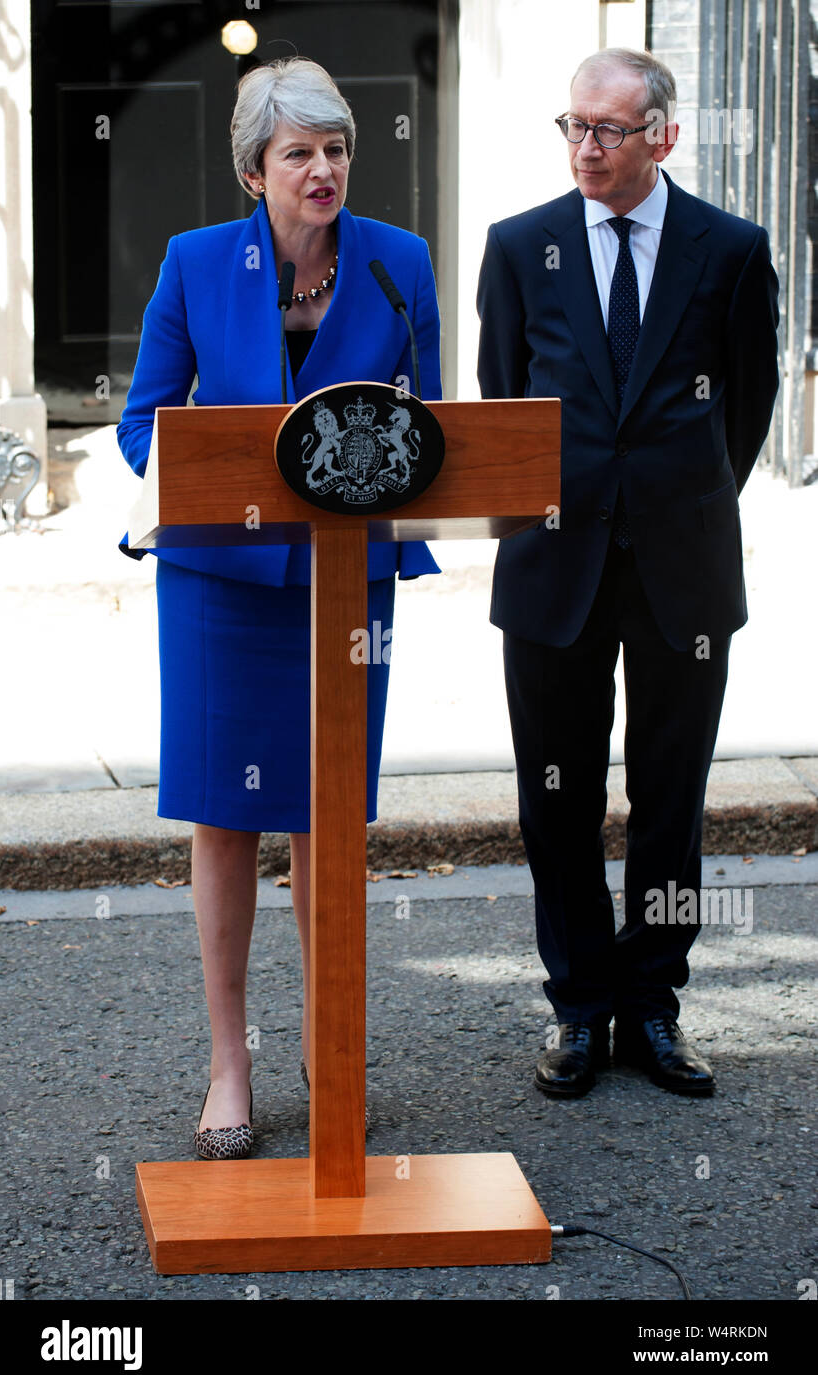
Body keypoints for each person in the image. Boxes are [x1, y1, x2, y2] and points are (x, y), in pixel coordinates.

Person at [117, 57, 442, 1156]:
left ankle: (328, 1039)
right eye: (298, 152)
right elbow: (141, 424)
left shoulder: (400, 262)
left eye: (336, 148)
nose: (322, 169)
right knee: (225, 817)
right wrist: (223, 472)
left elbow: (436, 431)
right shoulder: (196, 263)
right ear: (254, 170)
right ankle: (228, 1060)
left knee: (326, 819)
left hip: (348, 585)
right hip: (220, 582)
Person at [476, 47, 779, 1099]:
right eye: (572, 127)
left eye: (607, 130)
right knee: (553, 796)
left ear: (663, 135)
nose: (586, 149)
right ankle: (576, 1005)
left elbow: (742, 413)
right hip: (551, 561)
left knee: (668, 797)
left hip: (680, 569)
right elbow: (502, 398)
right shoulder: (519, 247)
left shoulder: (730, 249)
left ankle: (650, 1003)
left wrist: (676, 500)